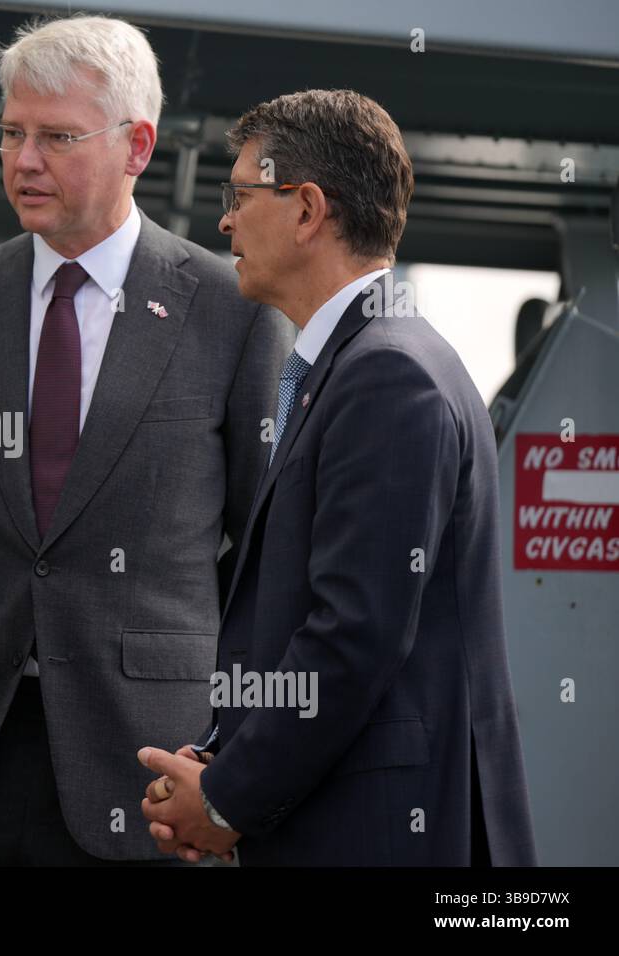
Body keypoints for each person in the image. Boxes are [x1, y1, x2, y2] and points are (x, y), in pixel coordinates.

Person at [0, 15, 289, 865]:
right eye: (11, 133)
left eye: (56, 137)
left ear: (138, 146)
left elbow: (264, 552)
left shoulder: (233, 310)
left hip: (147, 773)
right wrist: (4, 632)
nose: (23, 160)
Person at [140, 89, 538, 867]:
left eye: (241, 194)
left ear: (307, 208)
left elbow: (353, 637)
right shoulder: (371, 365)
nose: (225, 221)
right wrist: (222, 760)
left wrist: (226, 801)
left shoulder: (388, 376)